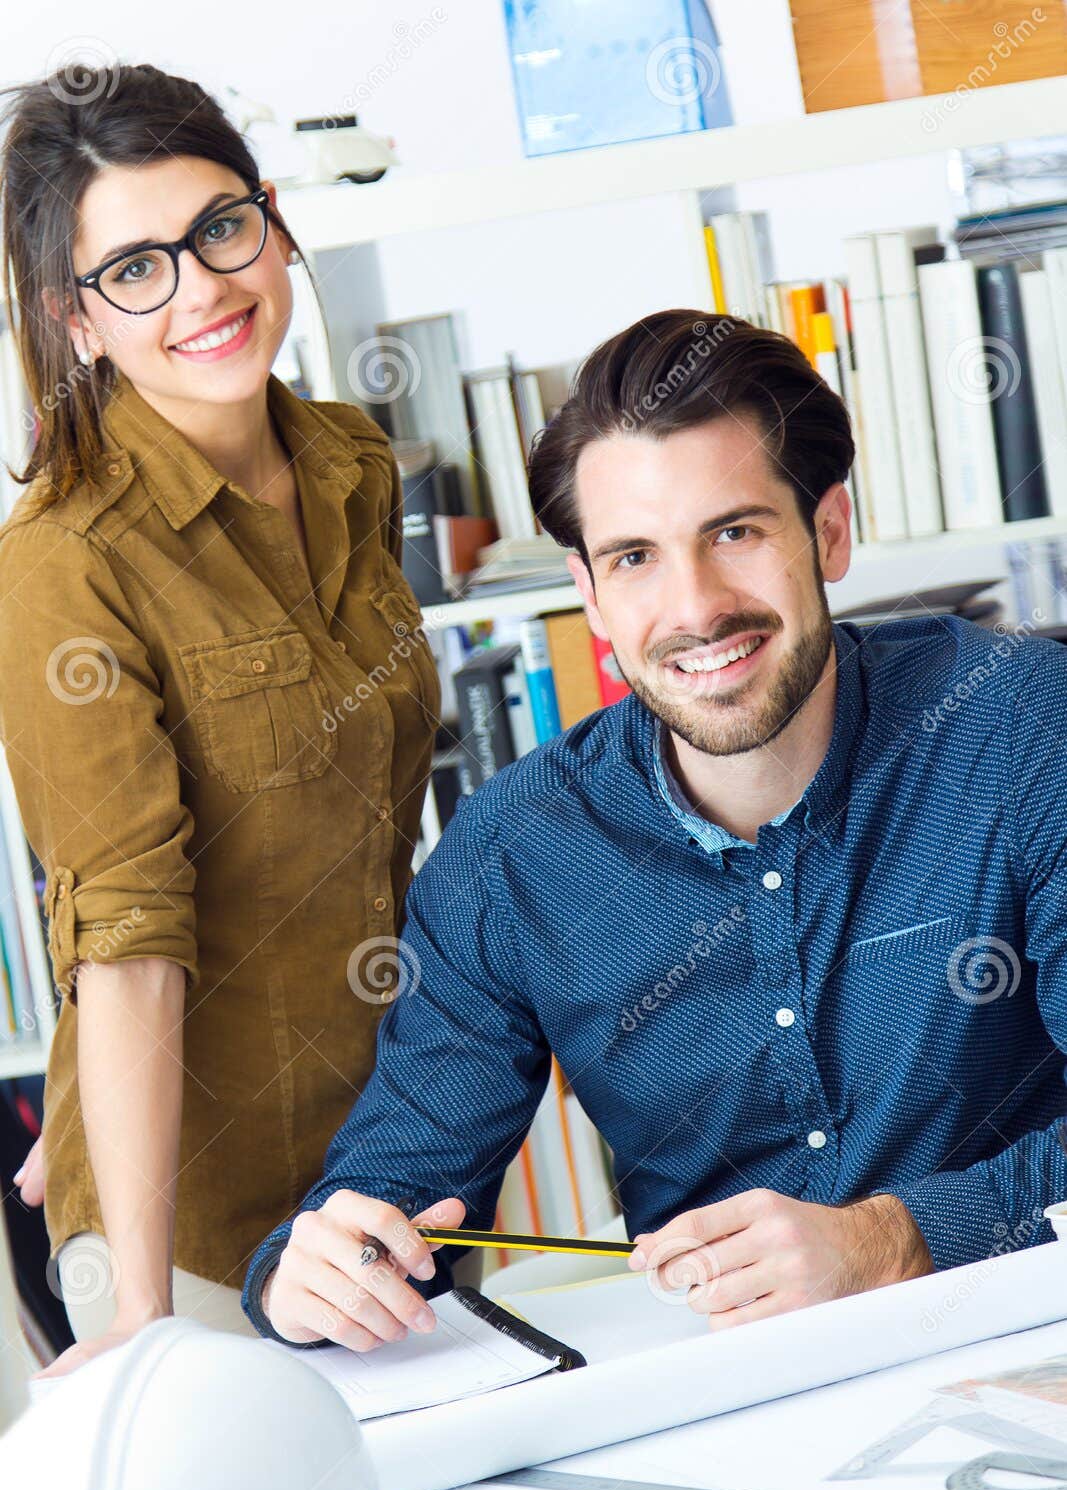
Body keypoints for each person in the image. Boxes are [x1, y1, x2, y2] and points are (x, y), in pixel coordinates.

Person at [243, 305, 1067, 1349]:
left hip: (1030, 1335)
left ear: (826, 532)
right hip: (716, 1398)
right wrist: (307, 1275)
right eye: (634, 557)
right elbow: (399, 1196)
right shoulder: (507, 856)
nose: (697, 607)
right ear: (587, 594)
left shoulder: (1019, 726)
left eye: (734, 532)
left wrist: (889, 1237)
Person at [0, 62, 440, 1375]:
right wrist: (140, 1311)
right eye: (134, 269)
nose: (200, 289)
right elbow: (127, 937)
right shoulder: (62, 564)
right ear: (75, 321)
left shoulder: (353, 463)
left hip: (383, 1182)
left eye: (218, 229)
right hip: (190, 1238)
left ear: (273, 223)